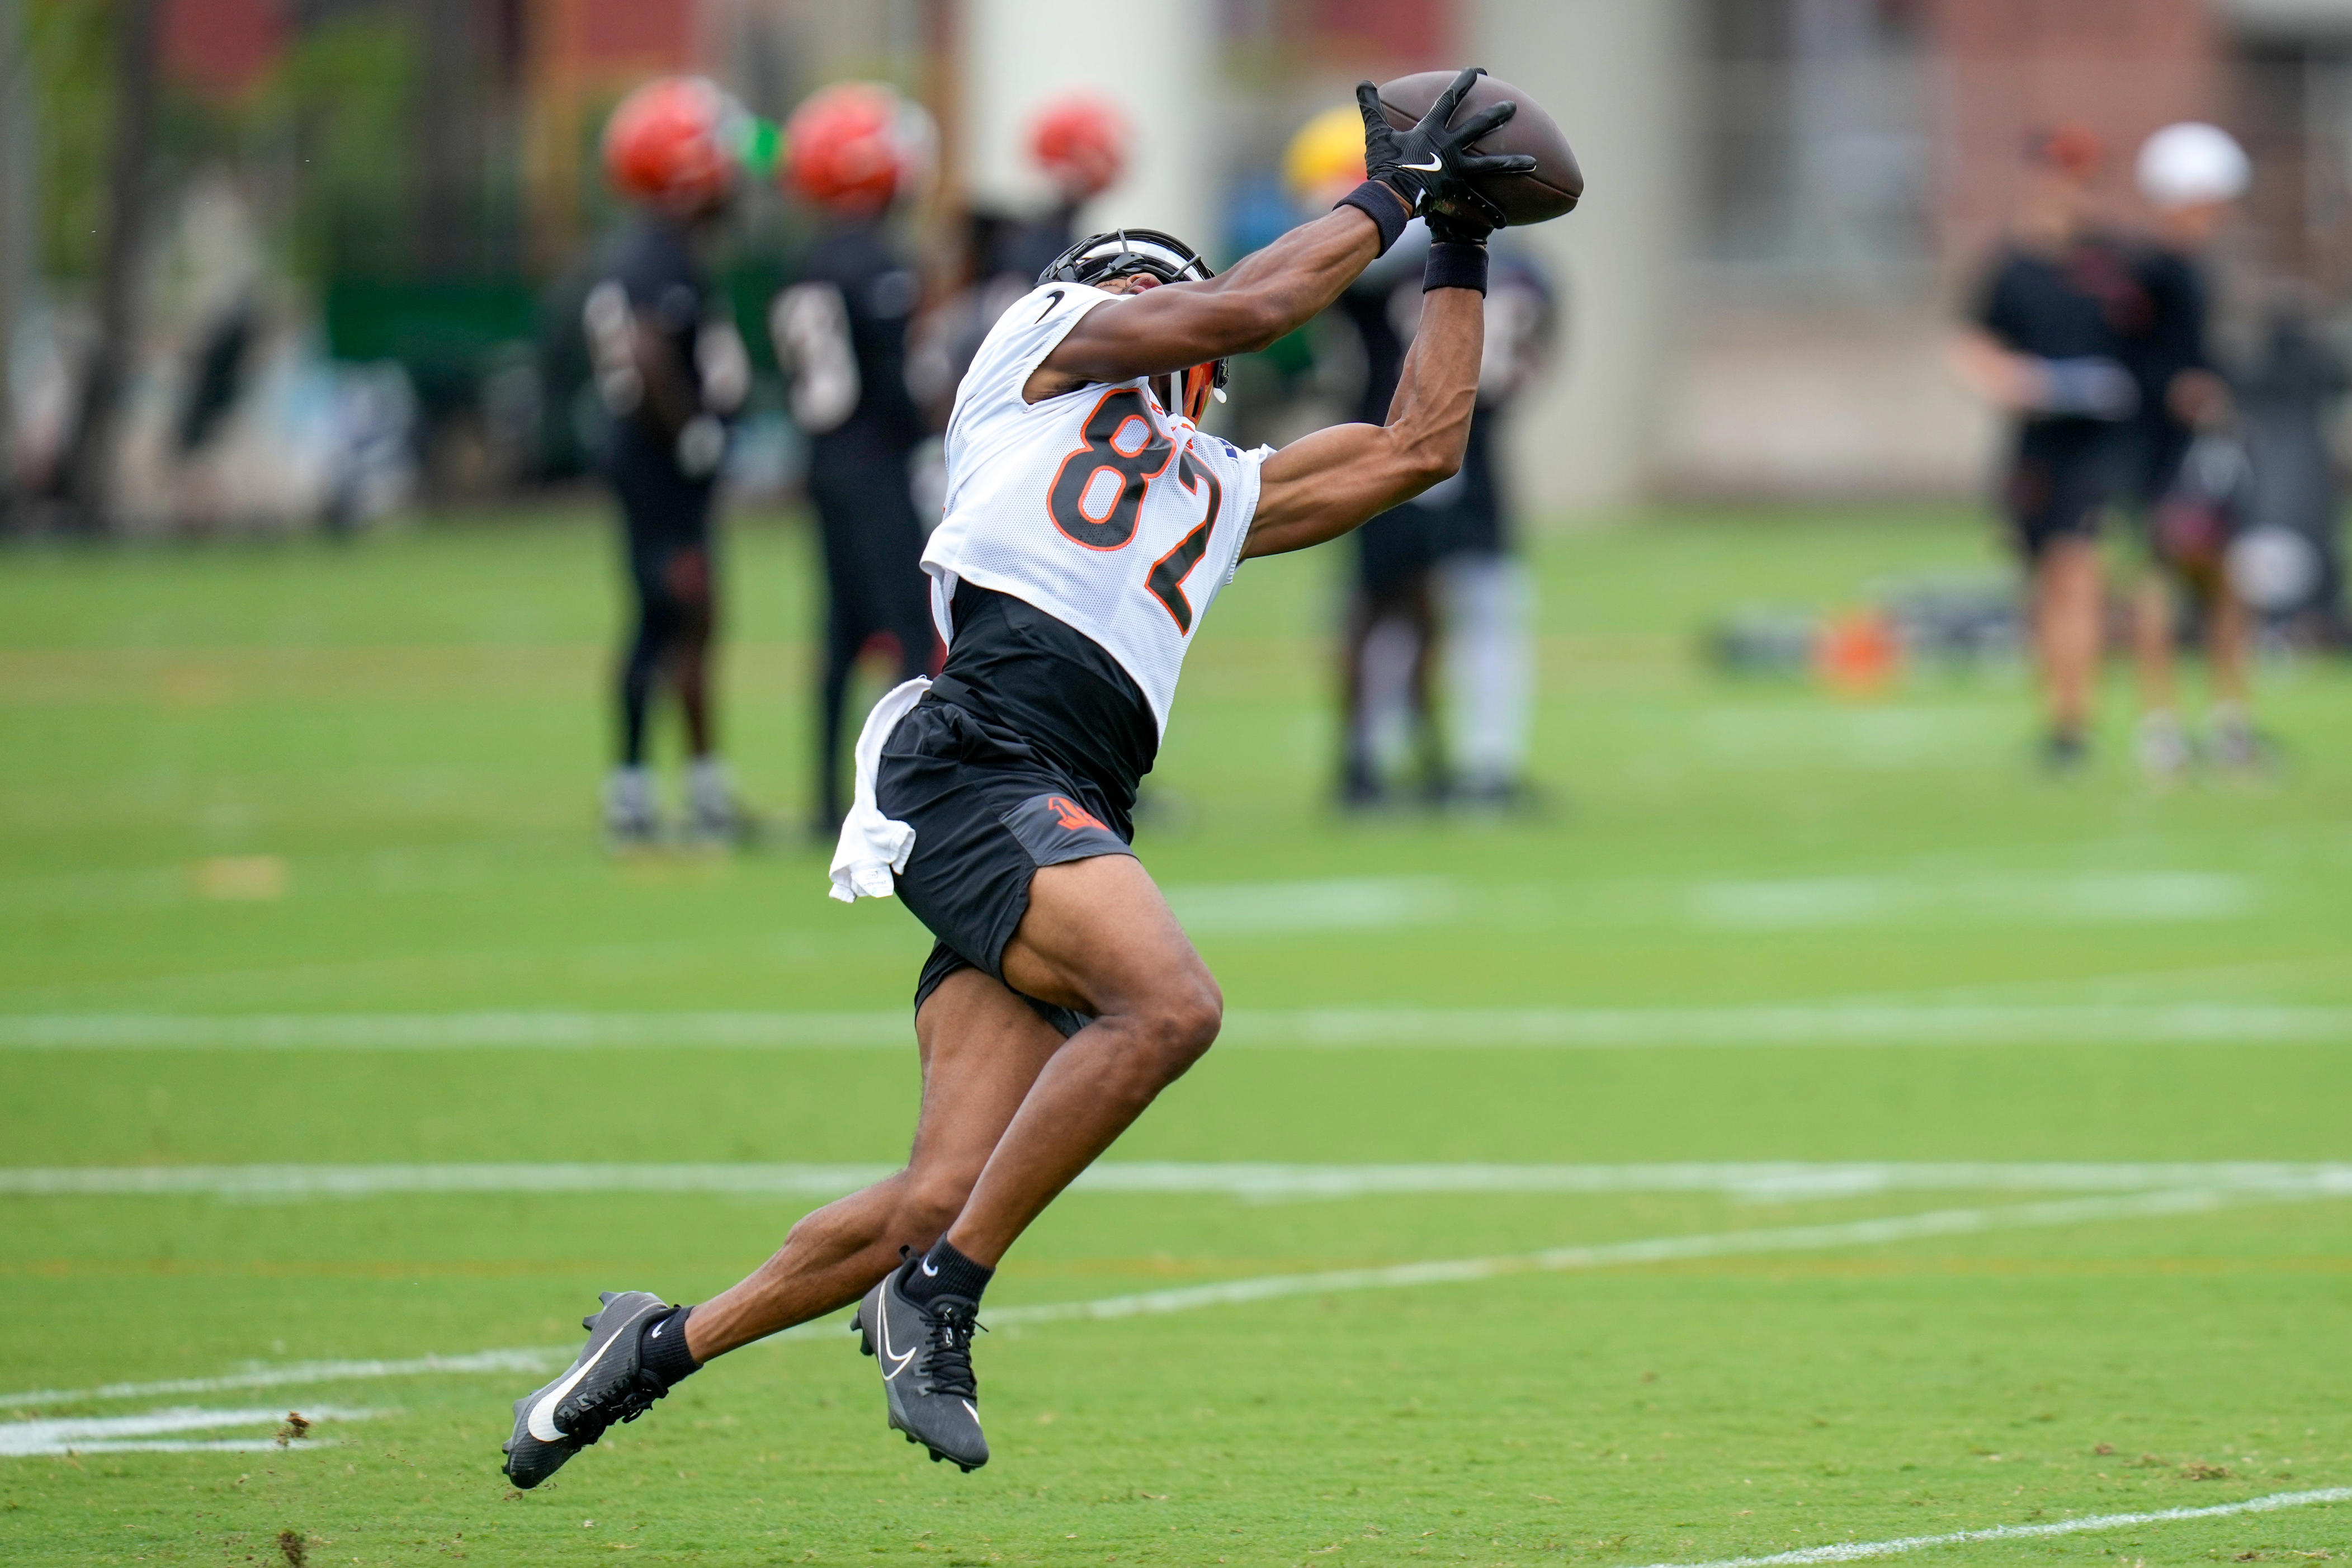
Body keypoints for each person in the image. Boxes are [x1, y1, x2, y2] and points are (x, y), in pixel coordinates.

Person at [500, 68, 1538, 1486]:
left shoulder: (1208, 480)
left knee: (931, 1191)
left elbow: (1422, 445)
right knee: (1169, 1002)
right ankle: (943, 1298)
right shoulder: (1035, 349)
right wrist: (1392, 199)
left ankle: (652, 1347)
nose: (1150, 314)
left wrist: (1463, 245)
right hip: (976, 760)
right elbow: (1240, 306)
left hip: (1059, 808)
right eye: (1134, 290)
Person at [586, 77, 754, 844]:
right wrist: (691, 429)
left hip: (659, 468)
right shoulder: (656, 257)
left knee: (680, 619)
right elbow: (648, 349)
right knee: (672, 618)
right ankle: (648, 788)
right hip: (660, 471)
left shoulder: (662, 252)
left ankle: (681, 782)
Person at [1950, 125, 2147, 771]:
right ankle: (2056, 716)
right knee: (2041, 586)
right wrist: (2009, 381)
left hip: (2099, 441)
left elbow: (2149, 345)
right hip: (2037, 442)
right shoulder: (2010, 267)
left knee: (2078, 571)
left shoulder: (2114, 265)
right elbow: (1975, 344)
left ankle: (2075, 723)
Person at [772, 83, 940, 835]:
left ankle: (821, 798)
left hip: (823, 461)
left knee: (839, 633)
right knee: (907, 630)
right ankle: (905, 790)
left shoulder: (805, 260)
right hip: (873, 461)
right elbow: (893, 385)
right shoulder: (875, 261)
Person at [2122, 121, 2260, 777]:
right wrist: (2177, 390)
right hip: (2162, 451)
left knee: (2223, 580)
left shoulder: (2193, 269)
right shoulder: (2150, 272)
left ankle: (2230, 718)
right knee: (2164, 578)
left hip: (2203, 448)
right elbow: (2134, 359)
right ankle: (2163, 723)